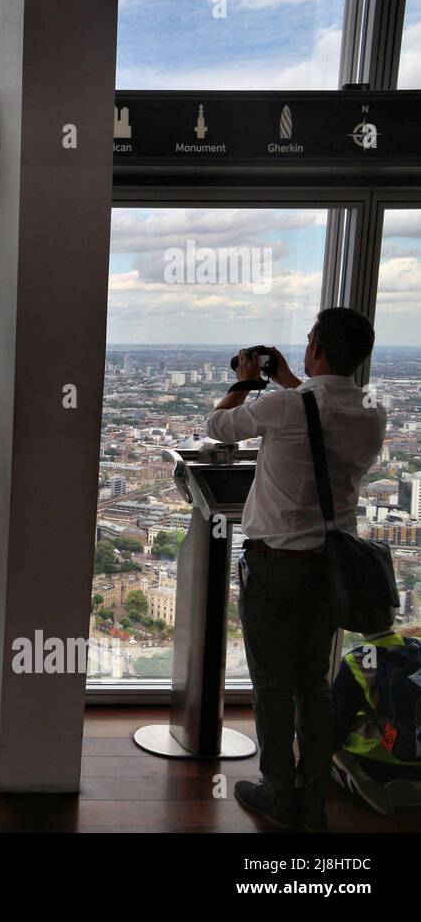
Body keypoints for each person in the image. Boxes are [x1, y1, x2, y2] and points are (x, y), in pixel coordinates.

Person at [206, 308, 386, 832]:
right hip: (331, 565)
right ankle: (313, 797)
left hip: (276, 563)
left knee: (272, 683)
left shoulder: (285, 408)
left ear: (317, 349)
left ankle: (277, 791)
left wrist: (245, 382)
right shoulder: (372, 412)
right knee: (313, 681)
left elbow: (219, 428)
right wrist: (289, 378)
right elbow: (322, 408)